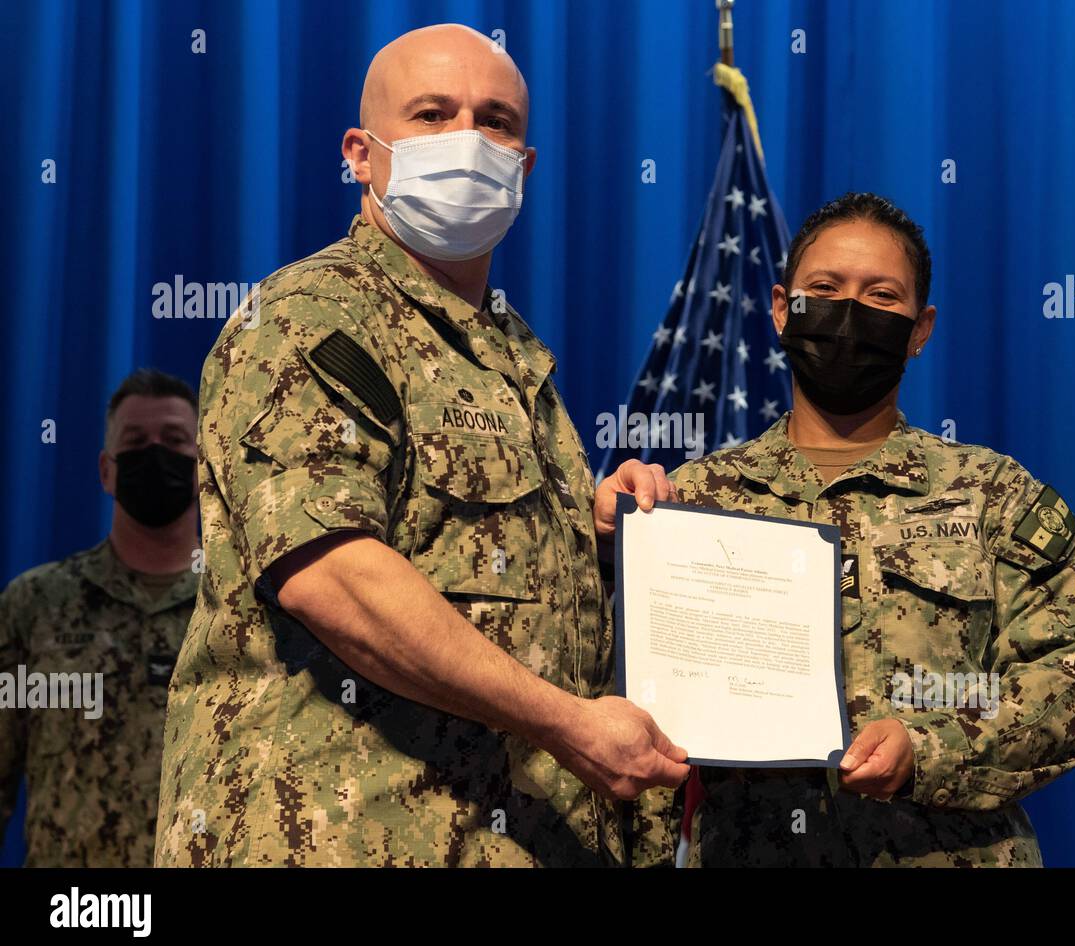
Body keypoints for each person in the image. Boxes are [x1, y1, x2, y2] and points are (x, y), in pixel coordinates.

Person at [154, 23, 687, 868]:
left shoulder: (510, 353)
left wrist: (587, 531)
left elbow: (462, 558)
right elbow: (334, 577)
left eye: (497, 121)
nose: (468, 139)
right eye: (434, 114)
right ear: (362, 154)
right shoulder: (309, 317)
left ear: (526, 163)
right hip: (336, 837)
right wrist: (569, 723)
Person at [638, 192, 1075, 866]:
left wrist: (927, 747)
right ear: (780, 309)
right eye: (823, 289)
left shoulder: (996, 496)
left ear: (921, 329)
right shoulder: (695, 500)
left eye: (882, 297)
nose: (849, 314)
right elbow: (647, 724)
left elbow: (1069, 692)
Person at [0, 369, 200, 866]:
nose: (155, 454)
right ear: (107, 471)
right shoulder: (36, 604)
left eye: (175, 440)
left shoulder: (245, 607)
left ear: (204, 467)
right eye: (135, 441)